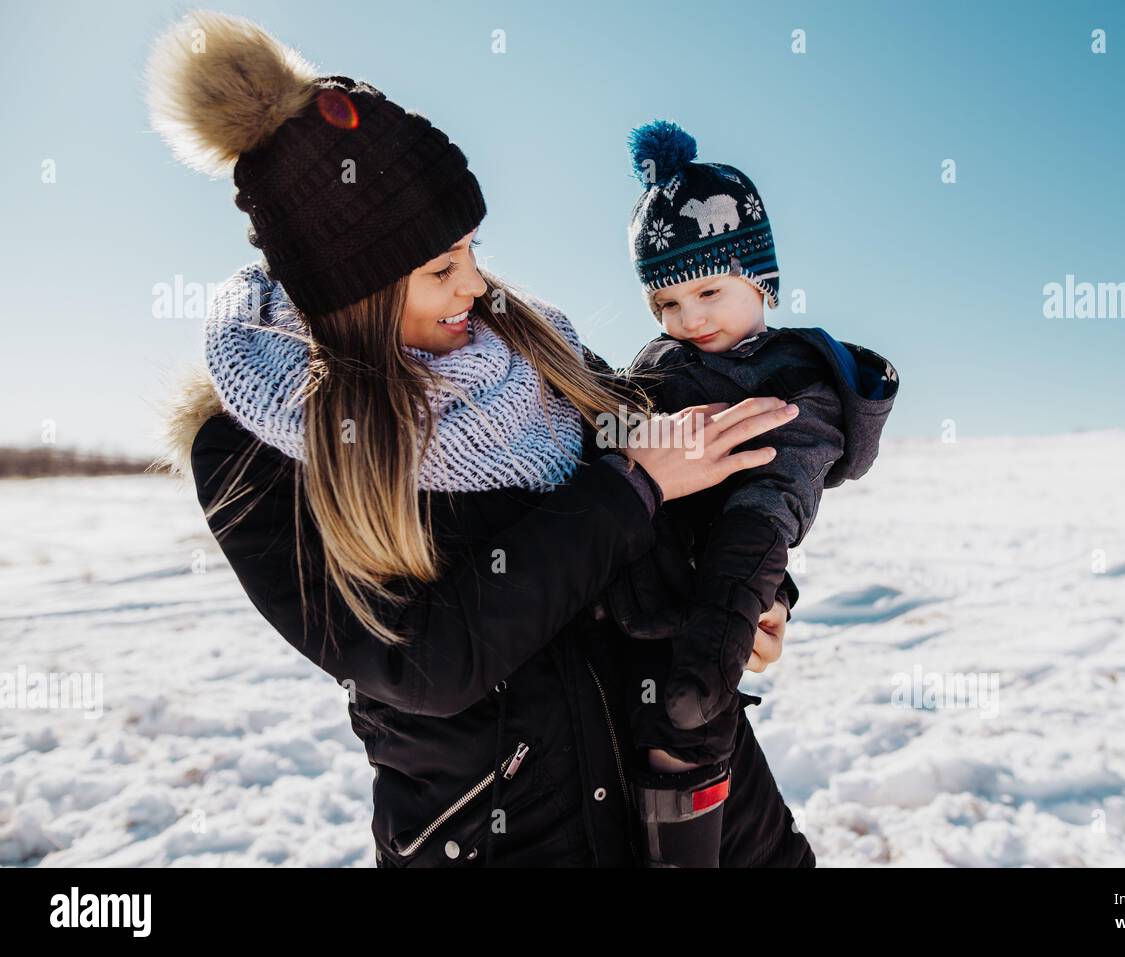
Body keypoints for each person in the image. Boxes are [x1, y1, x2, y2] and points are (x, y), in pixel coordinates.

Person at [145, 10, 814, 867]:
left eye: (471, 248)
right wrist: (630, 488)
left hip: (713, 812)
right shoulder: (258, 455)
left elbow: (694, 469)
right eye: (437, 270)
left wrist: (762, 588)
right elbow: (423, 662)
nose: (475, 286)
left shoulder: (537, 351)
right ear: (352, 292)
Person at [596, 120, 900, 866]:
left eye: (707, 290)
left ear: (759, 280)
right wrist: (617, 437)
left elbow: (770, 503)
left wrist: (750, 607)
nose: (688, 317)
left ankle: (695, 739)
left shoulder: (796, 377)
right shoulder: (660, 368)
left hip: (733, 561)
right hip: (631, 599)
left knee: (746, 551)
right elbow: (608, 438)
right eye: (666, 302)